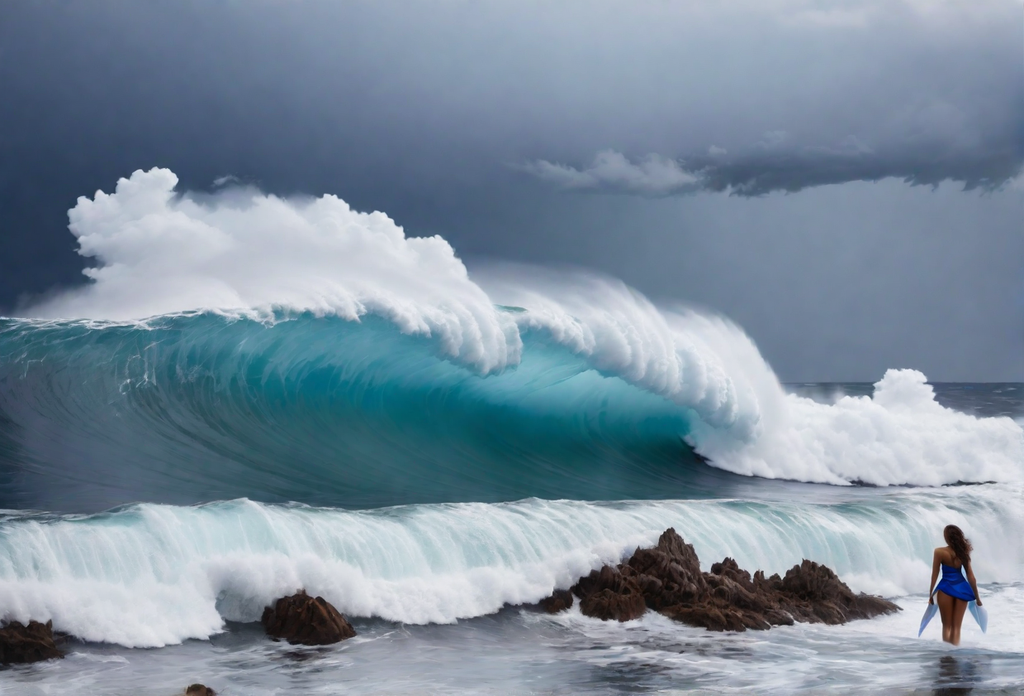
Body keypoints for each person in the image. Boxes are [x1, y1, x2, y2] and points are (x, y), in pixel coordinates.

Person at [928, 524, 982, 645]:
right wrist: (977, 598)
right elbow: (971, 577)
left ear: (946, 537)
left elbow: (934, 575)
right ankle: (955, 653)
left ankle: (948, 656)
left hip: (945, 588)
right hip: (962, 589)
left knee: (946, 626)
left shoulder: (939, 552)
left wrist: (931, 594)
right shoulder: (963, 551)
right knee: (957, 627)